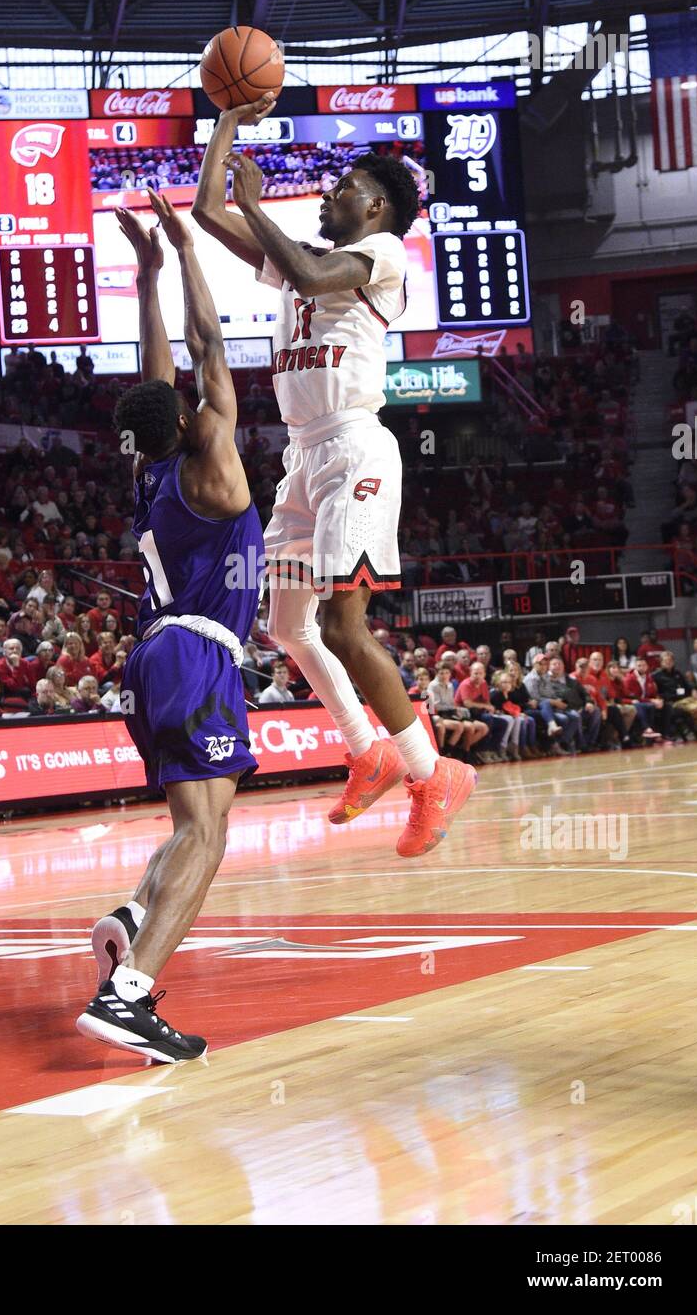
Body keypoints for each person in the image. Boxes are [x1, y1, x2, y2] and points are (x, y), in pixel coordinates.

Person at [193, 95, 475, 854]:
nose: (325, 194)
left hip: (354, 447)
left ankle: (432, 772)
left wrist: (260, 210)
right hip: (302, 454)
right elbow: (207, 207)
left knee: (346, 626)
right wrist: (226, 119)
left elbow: (314, 276)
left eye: (340, 187)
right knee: (287, 625)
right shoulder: (293, 266)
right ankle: (367, 749)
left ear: (376, 205)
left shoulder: (382, 254)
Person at [77, 192, 263, 1064]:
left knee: (195, 825)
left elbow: (163, 374)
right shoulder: (212, 466)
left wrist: (146, 273)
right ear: (188, 421)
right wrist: (189, 252)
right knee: (206, 834)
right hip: (195, 652)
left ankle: (131, 919)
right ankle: (130, 994)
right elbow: (208, 348)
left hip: (156, 656)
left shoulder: (155, 469)